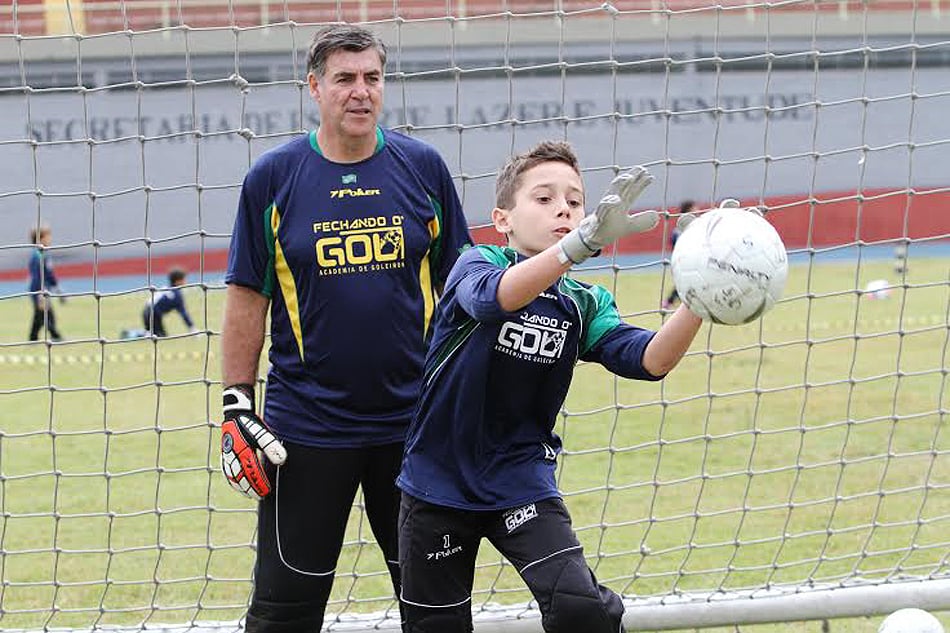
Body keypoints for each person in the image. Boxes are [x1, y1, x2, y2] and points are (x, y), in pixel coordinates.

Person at [218, 24, 472, 633]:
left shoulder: (424, 169)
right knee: (284, 613)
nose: (361, 92)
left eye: (372, 78)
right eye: (345, 79)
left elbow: (465, 288)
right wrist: (235, 404)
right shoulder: (273, 179)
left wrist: (471, 394)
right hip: (305, 430)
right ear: (315, 87)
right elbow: (247, 296)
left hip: (414, 429)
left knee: (435, 609)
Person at [396, 141, 703, 633]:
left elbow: (651, 360)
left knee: (582, 610)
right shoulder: (474, 265)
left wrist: (700, 292)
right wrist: (573, 247)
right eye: (544, 198)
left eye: (575, 201)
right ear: (503, 219)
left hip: (520, 481)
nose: (564, 208)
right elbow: (496, 301)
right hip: (438, 483)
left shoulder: (584, 301)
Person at [122, 267, 195, 339]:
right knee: (159, 336)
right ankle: (132, 334)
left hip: (148, 311)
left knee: (155, 334)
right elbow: (183, 313)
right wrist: (192, 328)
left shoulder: (166, 288)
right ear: (178, 281)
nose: (185, 281)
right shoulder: (176, 295)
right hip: (153, 314)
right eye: (184, 279)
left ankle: (134, 333)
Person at [27, 223, 65, 342]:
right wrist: (40, 293)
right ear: (40, 239)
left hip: (44, 290)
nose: (50, 239)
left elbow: (49, 274)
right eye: (47, 236)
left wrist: (56, 287)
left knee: (40, 315)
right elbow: (38, 277)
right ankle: (55, 335)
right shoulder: (36, 256)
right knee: (46, 315)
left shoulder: (44, 254)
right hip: (39, 291)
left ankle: (33, 337)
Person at [662, 199, 695, 310]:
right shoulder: (679, 230)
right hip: (682, 261)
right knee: (684, 283)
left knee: (687, 283)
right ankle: (670, 302)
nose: (697, 211)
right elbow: (675, 244)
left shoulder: (694, 228)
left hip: (691, 260)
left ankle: (673, 302)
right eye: (694, 209)